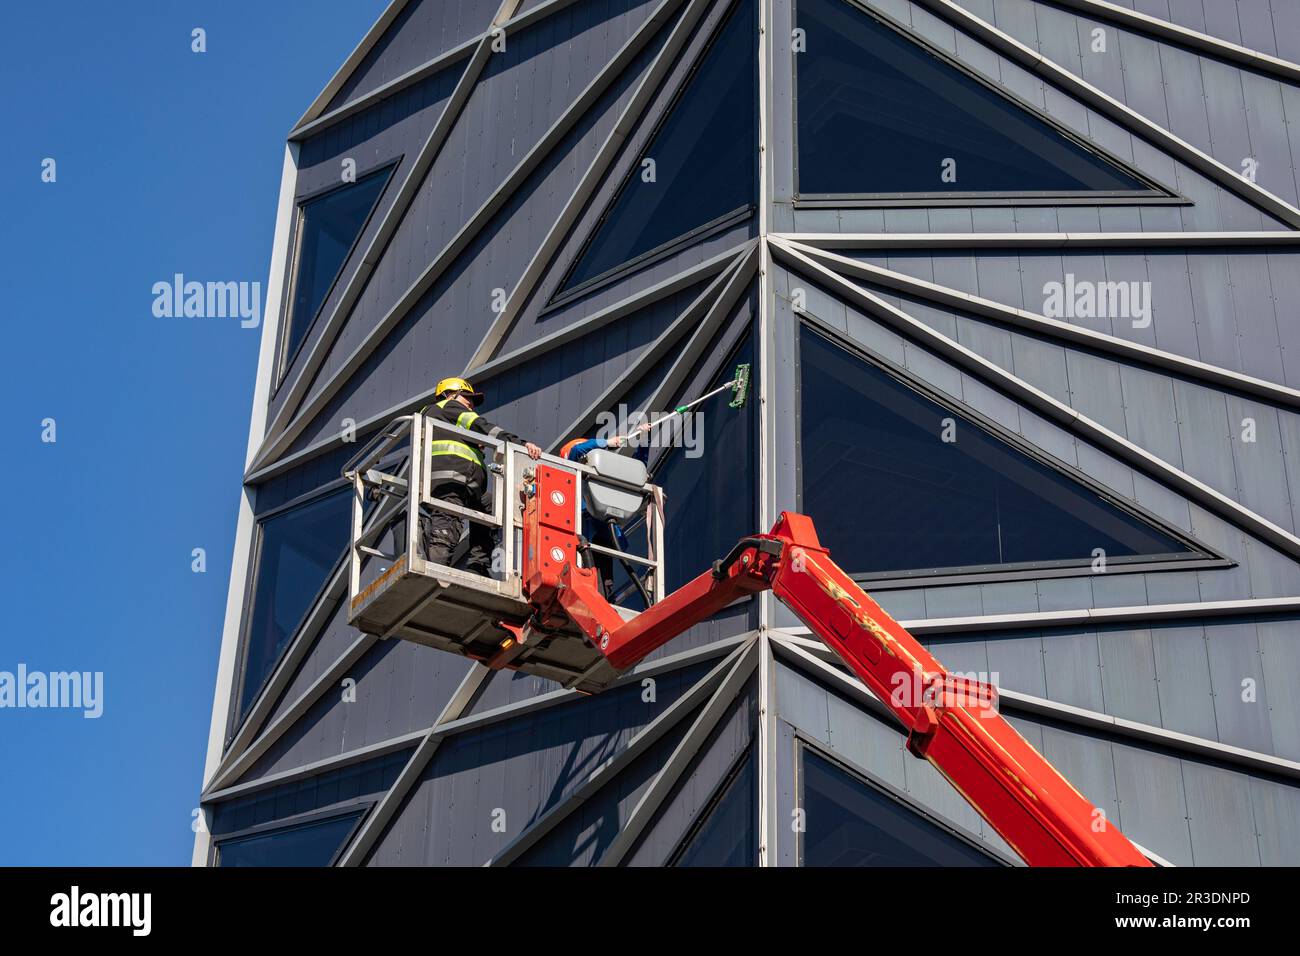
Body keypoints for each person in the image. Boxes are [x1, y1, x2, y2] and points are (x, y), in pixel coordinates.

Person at [420, 376, 541, 577]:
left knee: (491, 507)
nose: (471, 404)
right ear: (450, 394)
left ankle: (478, 565)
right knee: (448, 522)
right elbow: (482, 426)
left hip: (466, 485)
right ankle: (435, 574)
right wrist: (518, 444)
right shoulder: (447, 406)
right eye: (467, 397)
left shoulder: (446, 420)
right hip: (450, 482)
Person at [561, 423, 652, 600]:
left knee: (602, 584)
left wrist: (643, 439)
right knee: (588, 573)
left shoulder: (600, 480)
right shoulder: (572, 477)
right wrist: (607, 443)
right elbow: (577, 451)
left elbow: (636, 469)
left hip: (600, 538)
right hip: (584, 536)